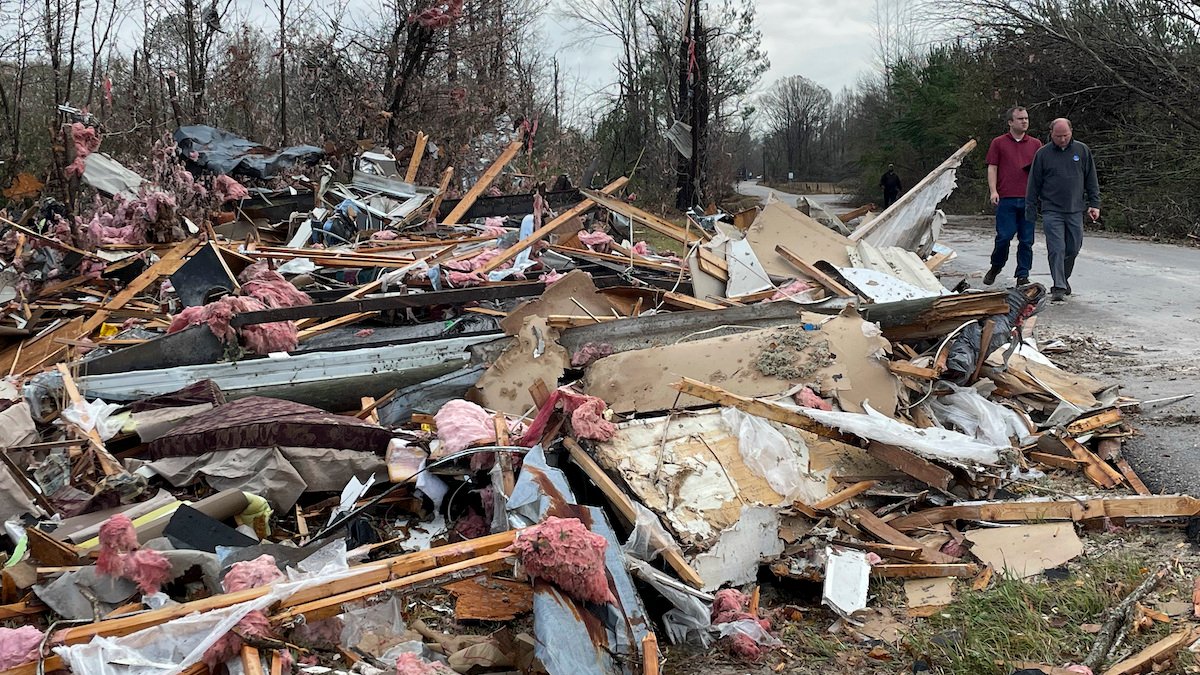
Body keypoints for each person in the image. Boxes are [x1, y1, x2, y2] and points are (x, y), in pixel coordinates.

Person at [1024, 118, 1100, 303]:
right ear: (1051, 134)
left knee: (1073, 248)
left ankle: (1063, 278)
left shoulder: (1082, 150)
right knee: (1056, 248)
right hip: (1052, 210)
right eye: (1058, 136)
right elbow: (1033, 184)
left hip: (1075, 209)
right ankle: (1058, 286)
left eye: (1065, 135)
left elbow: (1091, 179)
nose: (1062, 139)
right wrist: (1030, 208)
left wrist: (1094, 203)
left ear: (1071, 132)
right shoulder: (1043, 154)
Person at [983, 106, 1041, 287]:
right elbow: (992, 167)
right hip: (1006, 198)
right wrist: (993, 190)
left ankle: (1022, 275)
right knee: (1004, 237)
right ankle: (996, 266)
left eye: (1026, 118)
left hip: (1028, 199)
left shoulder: (1036, 144)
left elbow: (1041, 171)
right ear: (1010, 122)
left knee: (1026, 240)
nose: (1024, 121)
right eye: (1020, 119)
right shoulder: (999, 143)